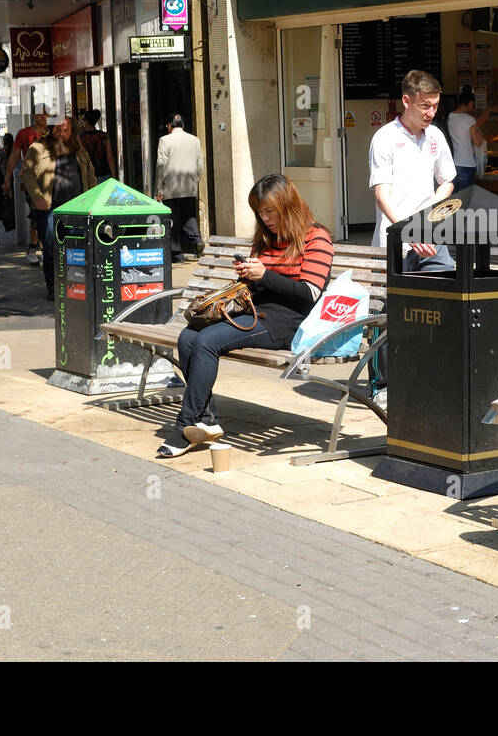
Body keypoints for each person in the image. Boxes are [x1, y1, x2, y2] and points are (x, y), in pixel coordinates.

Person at [157, 174, 334, 458]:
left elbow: (308, 295)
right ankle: (207, 419)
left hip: (289, 322)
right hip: (256, 312)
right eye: (260, 212)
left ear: (288, 206)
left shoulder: (317, 238)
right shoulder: (265, 239)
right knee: (189, 336)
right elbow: (260, 286)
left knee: (207, 342)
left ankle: (185, 425)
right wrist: (249, 275)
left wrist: (266, 276)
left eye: (270, 211)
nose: (265, 219)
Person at [367, 69, 456, 403]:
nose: (430, 112)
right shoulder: (384, 139)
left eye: (435, 105)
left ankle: (427, 374)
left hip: (433, 239)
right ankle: (382, 386)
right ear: (406, 101)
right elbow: (381, 193)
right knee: (388, 316)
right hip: (396, 241)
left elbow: (448, 179)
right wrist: (407, 229)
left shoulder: (436, 136)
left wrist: (438, 199)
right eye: (424, 106)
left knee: (441, 306)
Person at [21, 115, 96, 300]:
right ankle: (54, 288)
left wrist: (94, 200)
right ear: (52, 130)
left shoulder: (79, 151)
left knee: (77, 250)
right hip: (50, 209)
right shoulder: (38, 148)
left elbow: (91, 175)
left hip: (78, 210)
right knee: (51, 250)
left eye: (67, 130)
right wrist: (38, 197)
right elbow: (28, 175)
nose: (63, 133)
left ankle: (76, 285)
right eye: (59, 130)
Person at [154, 113, 204, 263]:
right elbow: (200, 165)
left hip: (172, 187)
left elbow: (161, 165)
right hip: (189, 186)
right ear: (183, 125)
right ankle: (196, 240)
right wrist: (195, 180)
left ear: (169, 126)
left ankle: (177, 254)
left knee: (173, 220)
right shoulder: (195, 140)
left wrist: (158, 190)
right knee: (189, 216)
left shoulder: (164, 140)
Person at [4, 110, 47, 265]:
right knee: (36, 214)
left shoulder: (53, 132)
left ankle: (42, 248)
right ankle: (33, 248)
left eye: (46, 113)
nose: (43, 116)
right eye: (40, 114)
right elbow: (14, 157)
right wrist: (7, 180)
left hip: (51, 180)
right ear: (33, 116)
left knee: (47, 215)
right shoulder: (24, 134)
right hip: (32, 180)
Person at [447, 88, 486, 191]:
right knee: (466, 198)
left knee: (454, 199)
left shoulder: (448, 116)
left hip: (451, 164)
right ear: (470, 103)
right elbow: (478, 142)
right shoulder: (468, 119)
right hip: (466, 164)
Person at [79, 109, 116, 183]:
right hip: (104, 174)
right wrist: (114, 176)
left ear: (86, 122)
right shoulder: (104, 136)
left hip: (87, 175)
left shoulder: (80, 138)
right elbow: (110, 158)